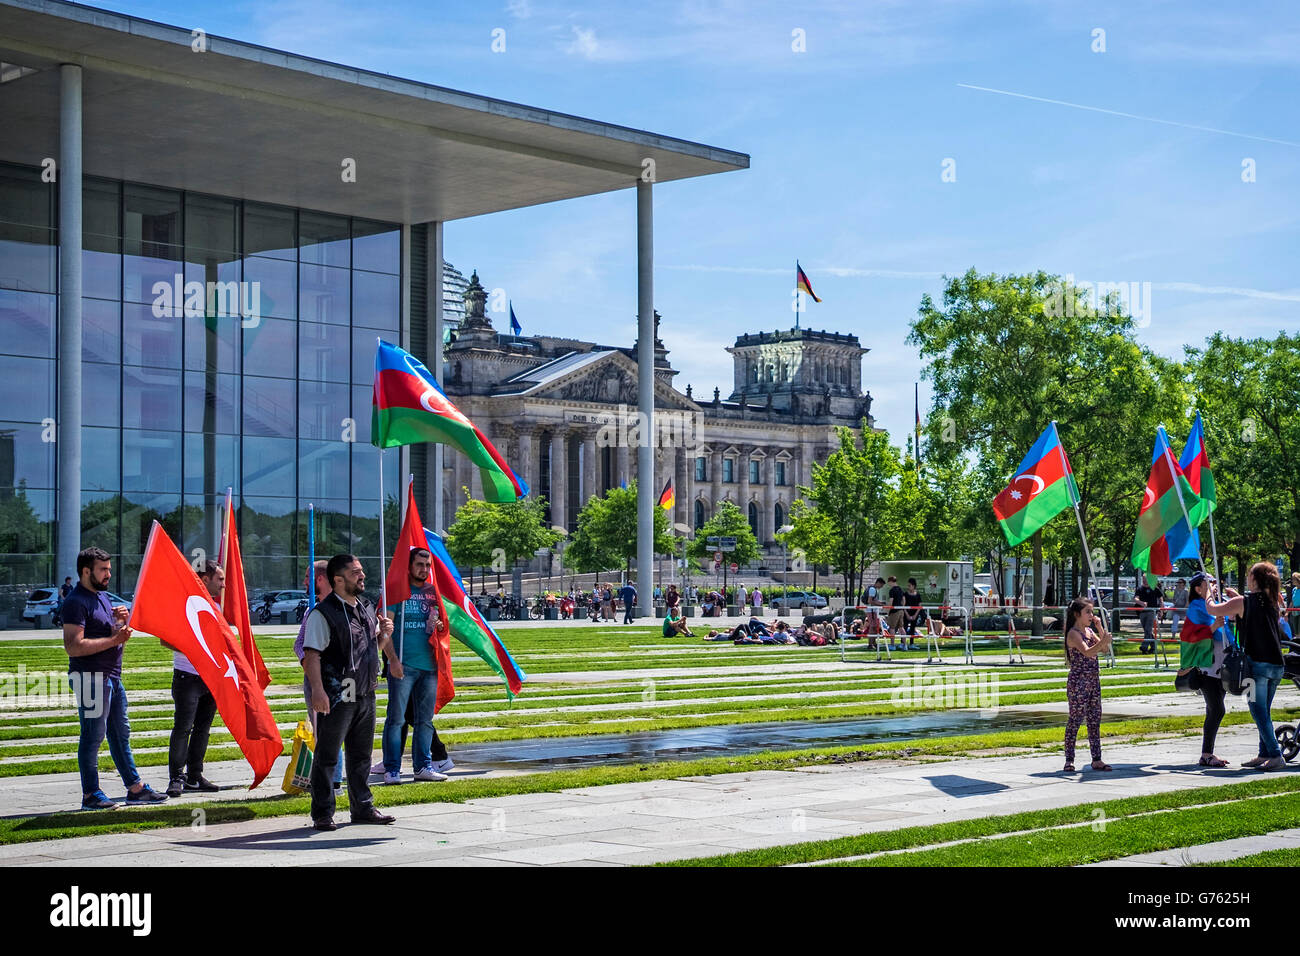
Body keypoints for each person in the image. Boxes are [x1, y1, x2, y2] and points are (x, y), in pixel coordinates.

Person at [62, 547, 168, 810]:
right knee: (92, 736)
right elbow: (73, 646)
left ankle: (135, 788)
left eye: (109, 568)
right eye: (103, 569)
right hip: (90, 678)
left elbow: (110, 638)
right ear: (86, 571)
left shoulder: (102, 597)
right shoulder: (76, 601)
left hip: (111, 676)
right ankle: (90, 795)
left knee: (121, 735)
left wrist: (120, 625)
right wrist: (114, 638)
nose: (109, 574)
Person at [302, 554, 400, 831]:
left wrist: (383, 636)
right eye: (356, 572)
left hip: (366, 692)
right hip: (338, 694)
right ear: (338, 579)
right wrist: (318, 692)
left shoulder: (367, 607)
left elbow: (369, 650)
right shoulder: (323, 613)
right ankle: (322, 812)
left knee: (361, 757)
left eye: (361, 571)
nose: (362, 576)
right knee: (327, 755)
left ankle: (363, 807)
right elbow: (311, 655)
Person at [1206, 563, 1287, 770]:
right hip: (1276, 664)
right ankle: (1264, 753)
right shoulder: (1272, 600)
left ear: (1255, 579)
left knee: (1258, 711)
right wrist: (1236, 596)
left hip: (1257, 665)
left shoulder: (1244, 601)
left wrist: (1209, 593)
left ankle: (1276, 755)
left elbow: (1213, 609)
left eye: (1249, 574)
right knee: (1264, 710)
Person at [381, 547, 452, 784]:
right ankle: (392, 768)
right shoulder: (395, 591)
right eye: (419, 564)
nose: (424, 569)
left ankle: (423, 766)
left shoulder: (432, 592)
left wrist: (440, 626)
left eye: (427, 565)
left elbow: (439, 627)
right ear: (409, 566)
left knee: (425, 721)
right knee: (396, 719)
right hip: (404, 665)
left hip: (429, 666)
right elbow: (385, 631)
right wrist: (392, 661)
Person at [166, 560, 223, 797]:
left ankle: (194, 775)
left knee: (203, 729)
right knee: (183, 728)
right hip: (187, 676)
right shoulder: (184, 604)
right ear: (206, 579)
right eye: (219, 579)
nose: (223, 584)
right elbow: (165, 639)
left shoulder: (216, 608)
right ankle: (176, 778)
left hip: (210, 677)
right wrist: (194, 647)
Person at [1177, 572, 1229, 768]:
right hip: (1206, 666)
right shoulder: (1197, 607)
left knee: (1215, 709)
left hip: (1220, 664)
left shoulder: (1218, 605)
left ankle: (1207, 753)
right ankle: (1207, 754)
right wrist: (1214, 625)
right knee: (1217, 709)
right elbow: (1192, 635)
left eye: (1215, 582)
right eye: (1209, 583)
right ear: (1198, 589)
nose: (1214, 586)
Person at [1062, 597, 1112, 773]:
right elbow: (1088, 652)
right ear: (1077, 614)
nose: (1091, 615)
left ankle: (1096, 759)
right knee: (1075, 719)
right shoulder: (1074, 633)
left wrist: (1099, 629)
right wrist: (1103, 641)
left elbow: (1105, 650)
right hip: (1079, 682)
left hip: (1093, 680)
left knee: (1094, 719)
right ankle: (1069, 759)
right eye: (1088, 612)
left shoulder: (1090, 631)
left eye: (1092, 611)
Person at [1134, 578, 1163, 654]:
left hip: (1152, 611)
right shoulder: (1139, 589)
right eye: (1143, 579)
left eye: (1146, 579)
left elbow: (1161, 599)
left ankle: (1144, 647)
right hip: (1142, 612)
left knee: (1148, 629)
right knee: (1147, 631)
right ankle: (1153, 647)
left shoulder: (1155, 588)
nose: (1144, 580)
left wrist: (1161, 610)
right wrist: (1141, 603)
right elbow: (1136, 598)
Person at [902, 579, 923, 649]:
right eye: (908, 586)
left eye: (909, 586)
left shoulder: (918, 595)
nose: (908, 587)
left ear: (913, 586)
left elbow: (920, 605)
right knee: (904, 628)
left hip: (915, 614)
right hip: (906, 613)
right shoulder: (905, 594)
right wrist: (907, 614)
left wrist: (915, 615)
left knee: (912, 628)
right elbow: (903, 605)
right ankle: (903, 643)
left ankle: (911, 643)